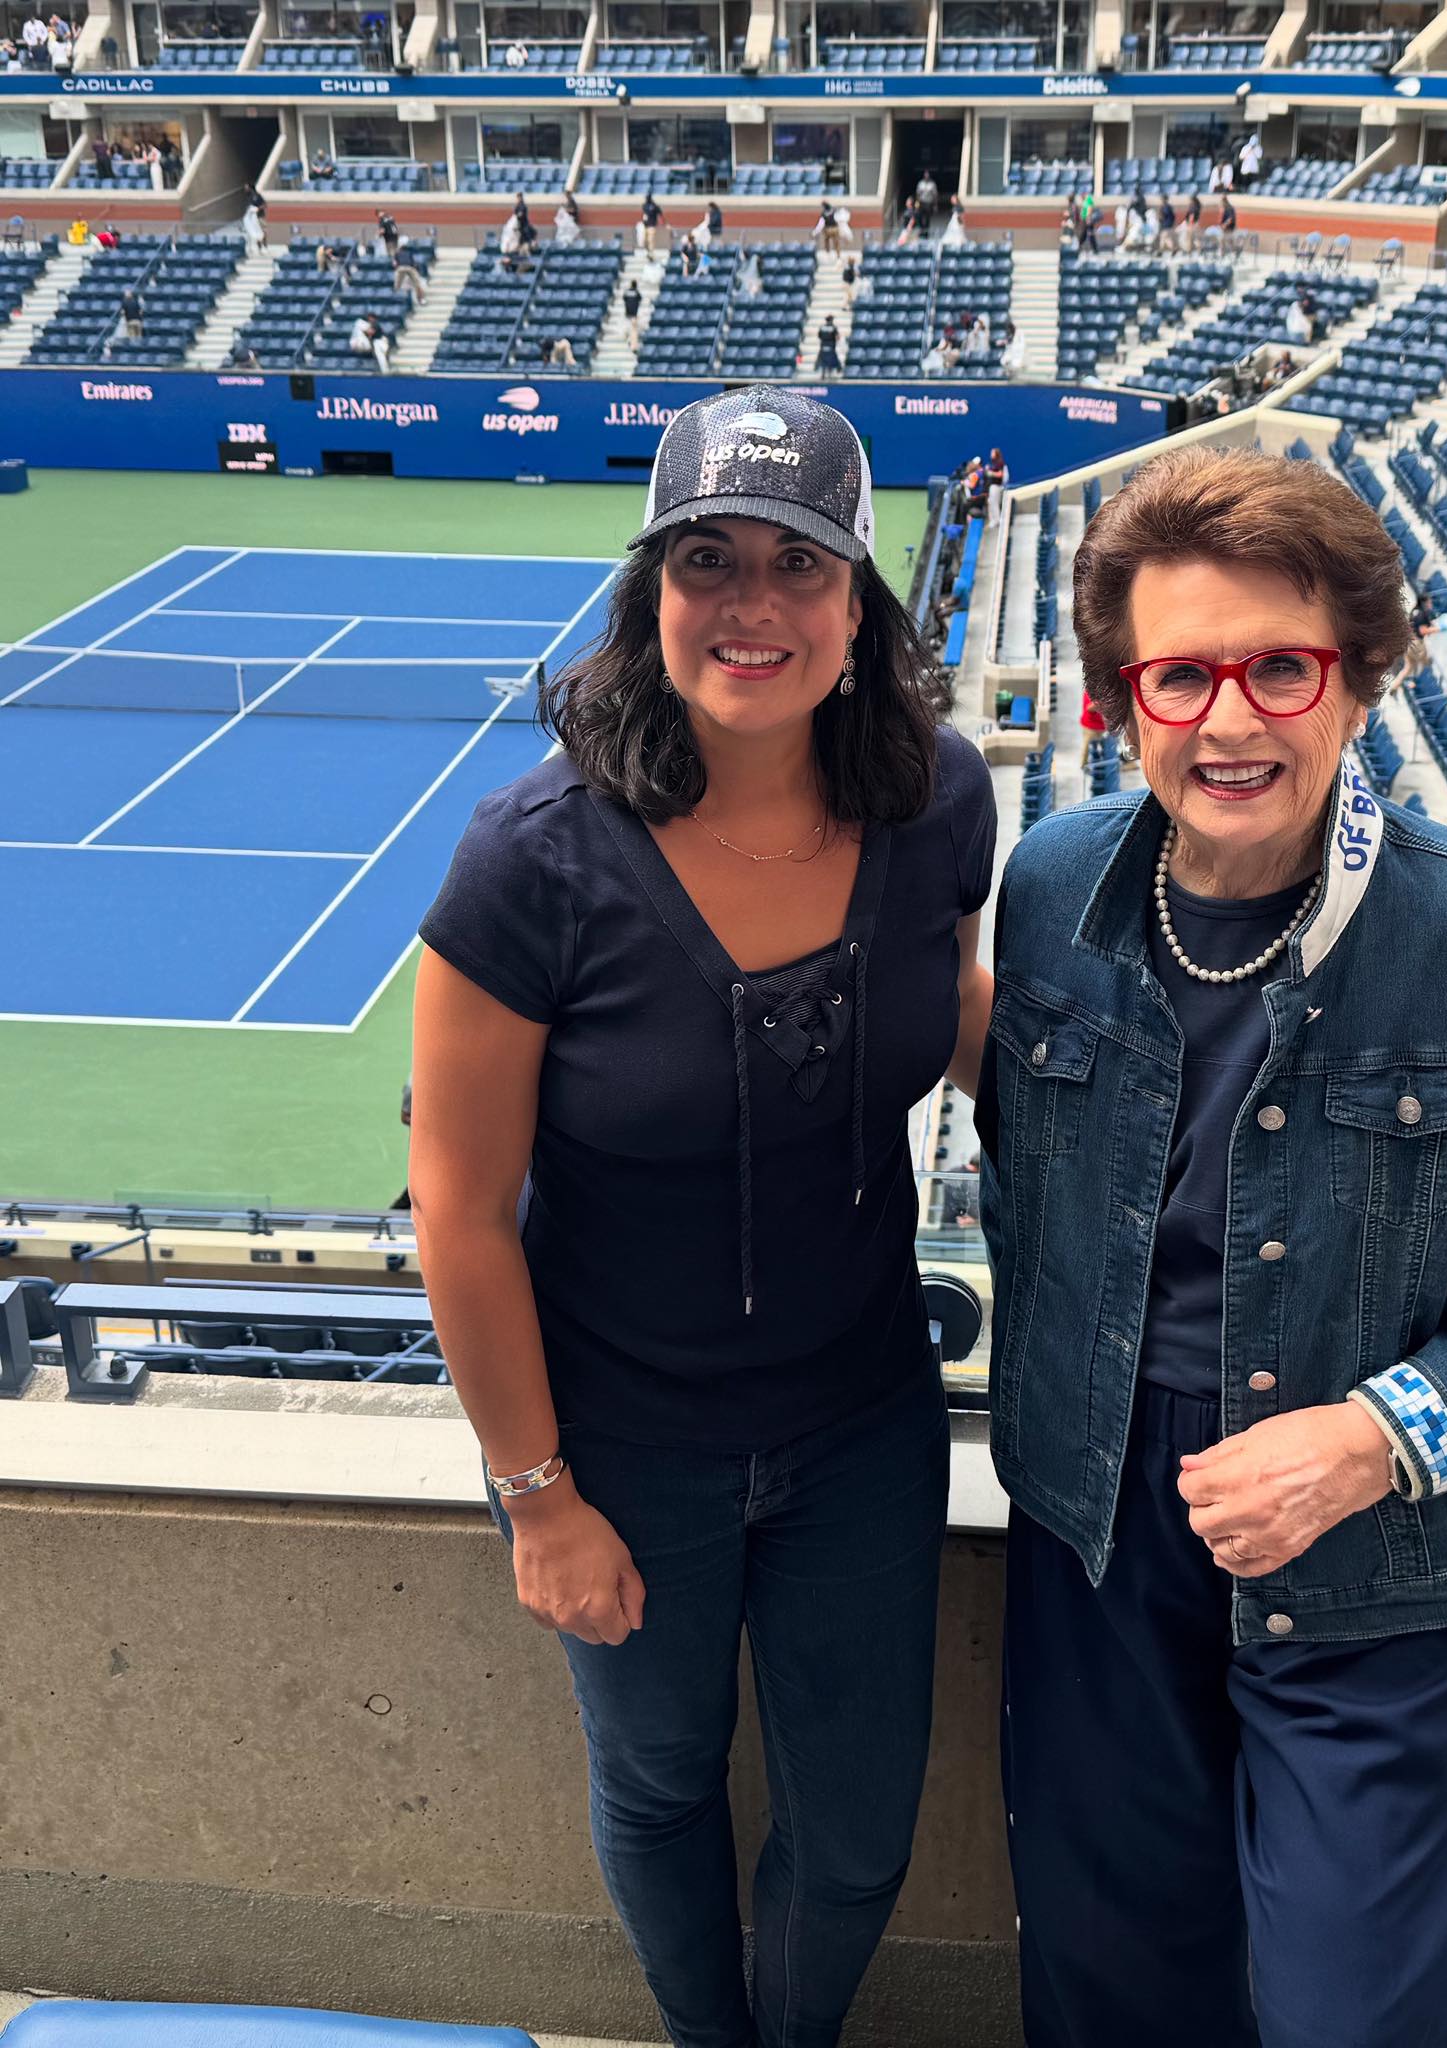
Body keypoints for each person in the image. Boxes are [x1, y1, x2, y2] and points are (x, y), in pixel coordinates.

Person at [979, 443, 1447, 2048]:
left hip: (1386, 1553)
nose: (1229, 721)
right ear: (1119, 699)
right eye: (1182, 674)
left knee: (1354, 2012)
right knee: (1107, 1975)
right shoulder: (1053, 884)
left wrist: (1375, 1437)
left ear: (1355, 684)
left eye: (1282, 669)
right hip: (1099, 1525)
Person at [415, 385, 995, 2048]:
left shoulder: (934, 800)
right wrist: (538, 1496)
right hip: (620, 1444)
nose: (752, 608)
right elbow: (458, 1206)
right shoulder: (528, 860)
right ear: (648, 588)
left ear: (858, 593)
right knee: (662, 1782)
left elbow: (948, 1001)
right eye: (706, 562)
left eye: (796, 567)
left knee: (863, 1823)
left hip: (861, 1425)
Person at [240, 185, 266, 257]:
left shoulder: (257, 196)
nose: (245, 189)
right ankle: (255, 248)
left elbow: (264, 205)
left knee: (261, 232)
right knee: (252, 233)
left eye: (246, 188)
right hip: (250, 219)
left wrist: (257, 209)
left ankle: (262, 247)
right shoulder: (247, 197)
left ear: (250, 188)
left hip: (259, 217)